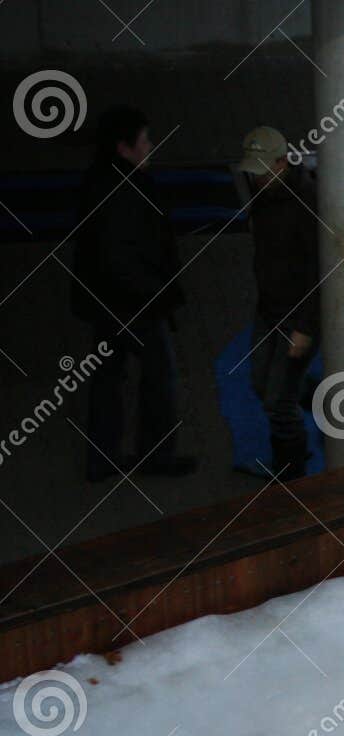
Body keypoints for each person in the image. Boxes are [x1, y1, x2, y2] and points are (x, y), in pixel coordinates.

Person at [71, 105, 194, 480]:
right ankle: (156, 456)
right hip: (137, 306)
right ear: (125, 148)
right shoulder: (129, 192)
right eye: (144, 141)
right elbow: (124, 257)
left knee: (108, 379)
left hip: (105, 304)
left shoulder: (99, 182)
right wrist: (159, 294)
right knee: (160, 377)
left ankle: (102, 459)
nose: (151, 147)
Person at [238, 126, 320, 481]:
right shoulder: (264, 191)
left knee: (278, 402)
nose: (255, 179)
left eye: (261, 170)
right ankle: (316, 398)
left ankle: (291, 474)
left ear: (283, 162)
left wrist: (305, 327)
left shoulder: (307, 202)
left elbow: (321, 270)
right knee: (261, 383)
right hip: (269, 309)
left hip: (296, 317)